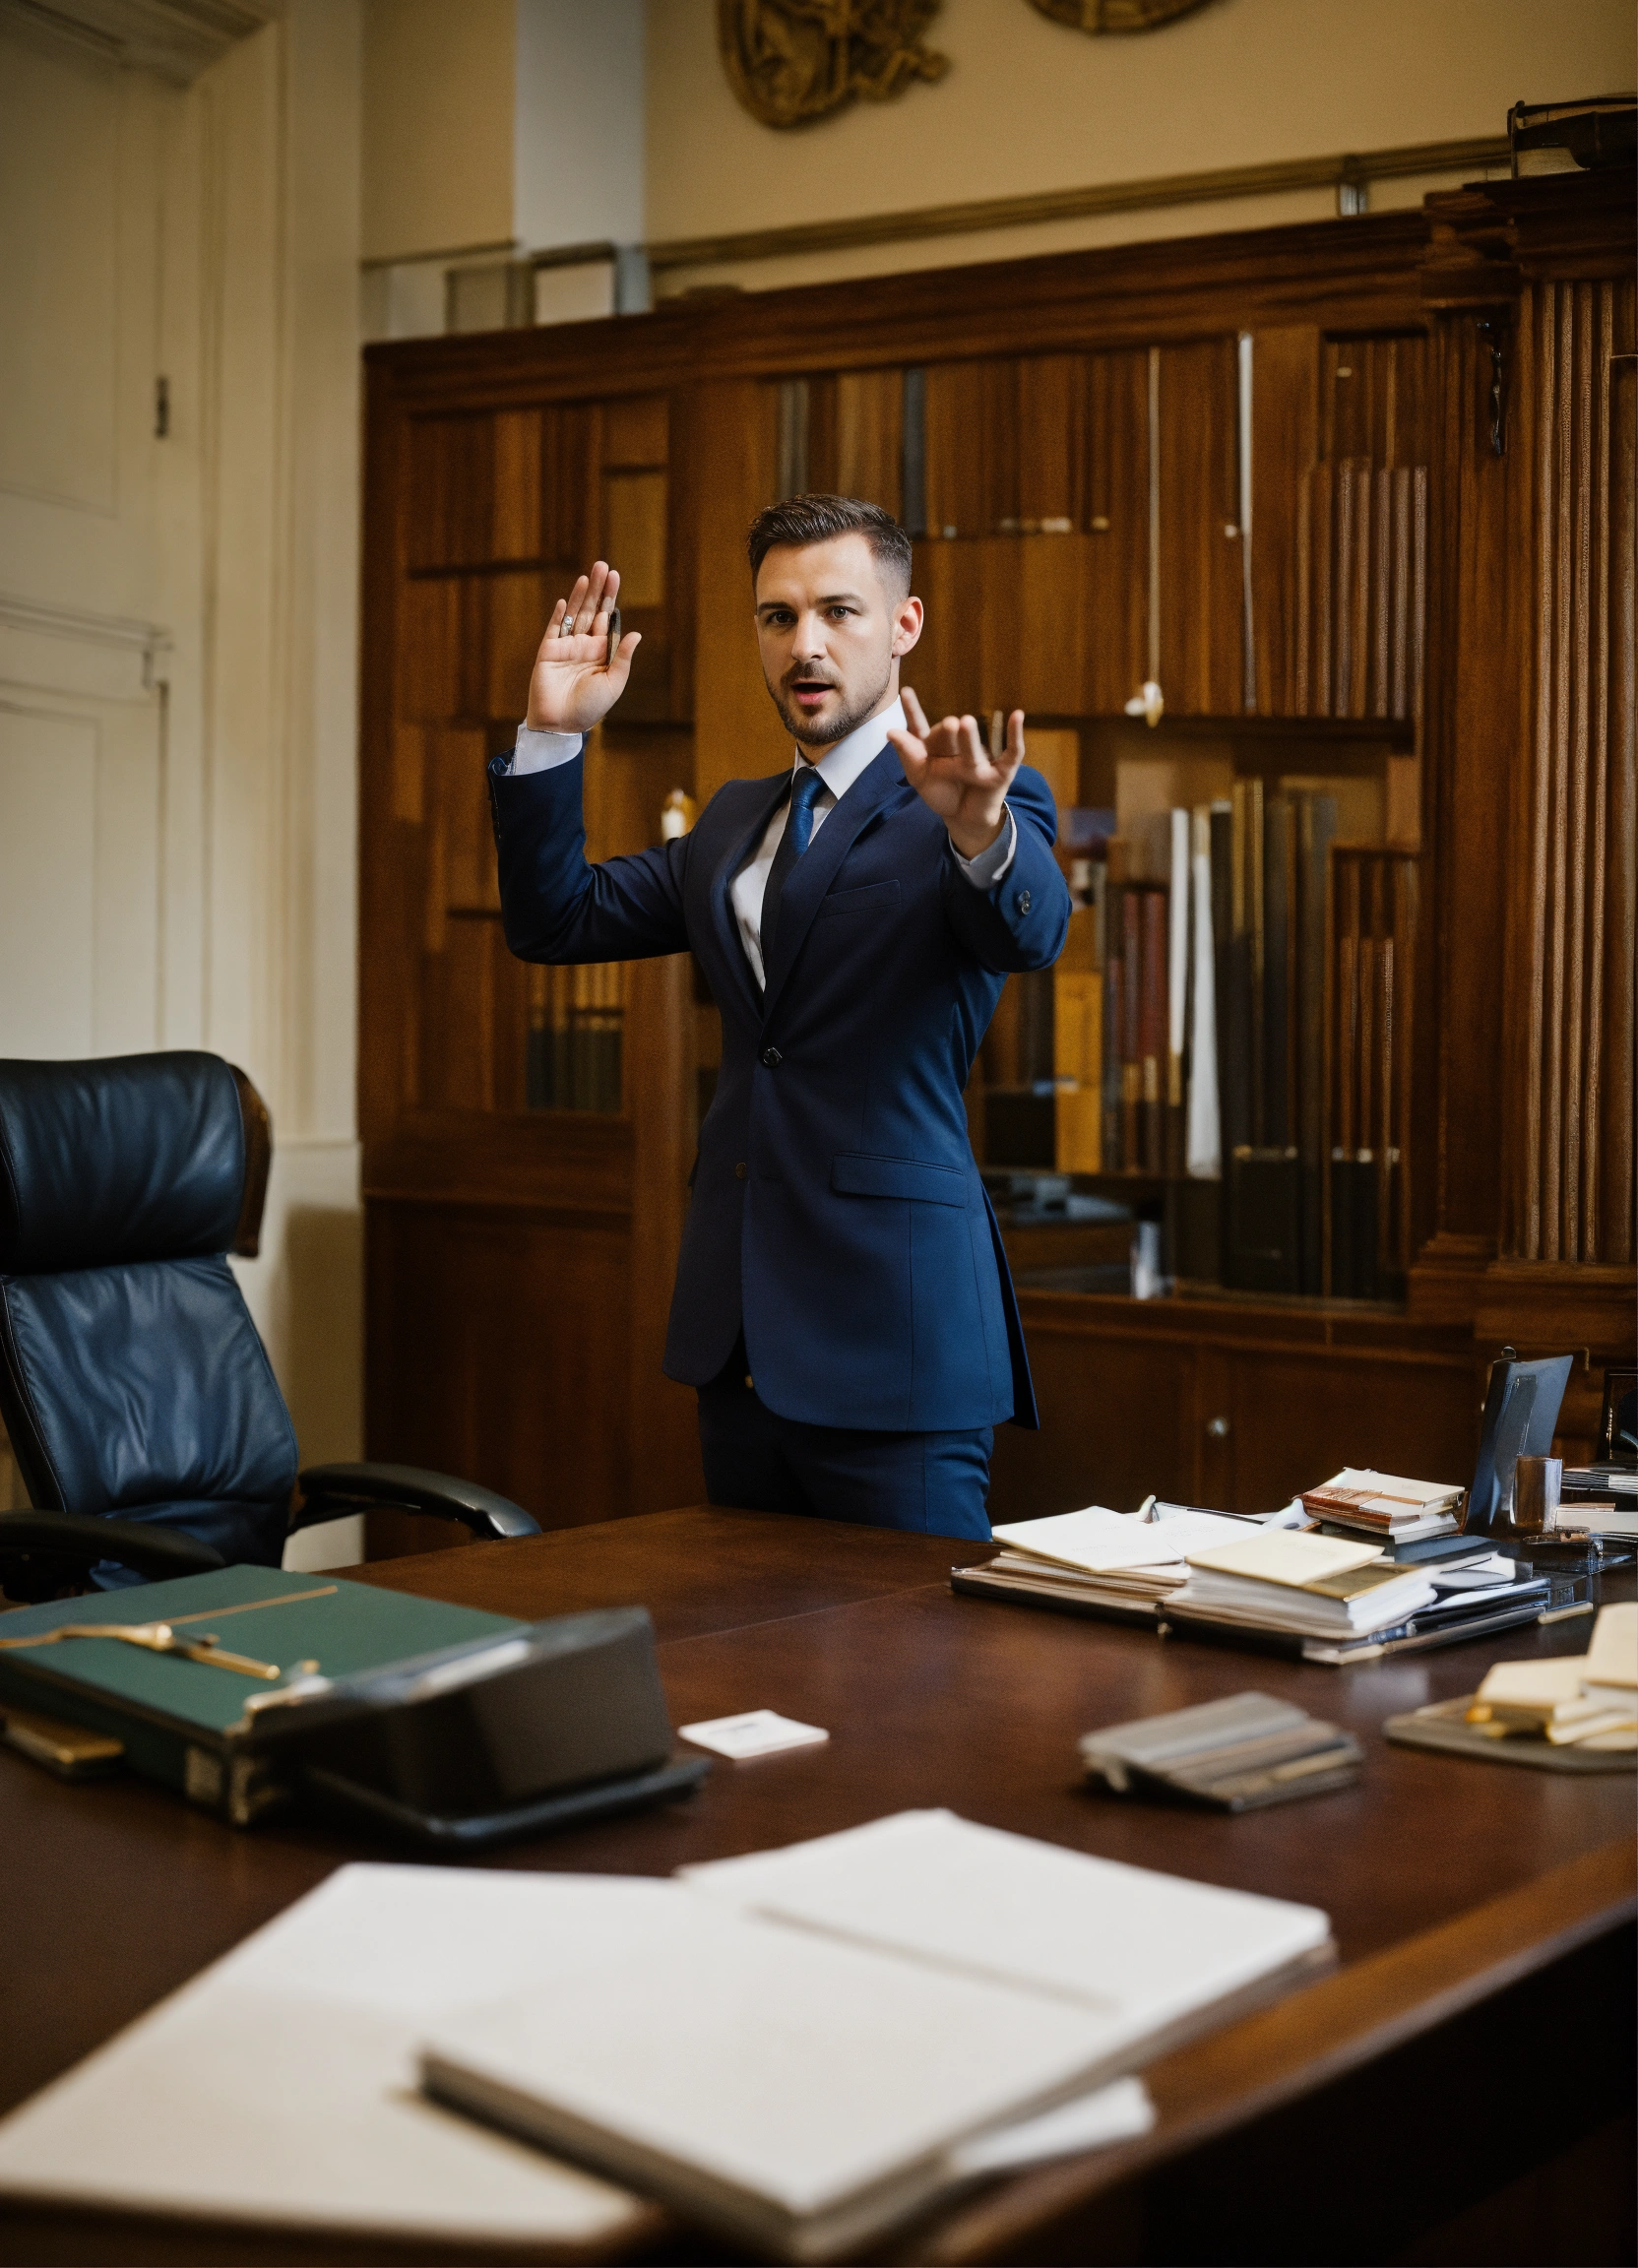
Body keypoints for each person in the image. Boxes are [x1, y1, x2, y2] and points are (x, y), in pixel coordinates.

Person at [489, 493, 1071, 1540]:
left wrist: (980, 832)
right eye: (778, 617)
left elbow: (1029, 933)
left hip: (898, 1343)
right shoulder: (730, 823)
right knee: (747, 1638)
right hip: (741, 1344)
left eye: (838, 612)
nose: (806, 645)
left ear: (903, 624)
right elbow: (556, 919)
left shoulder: (974, 801)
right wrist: (551, 736)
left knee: (912, 1645)